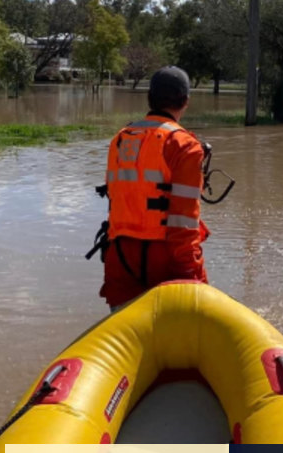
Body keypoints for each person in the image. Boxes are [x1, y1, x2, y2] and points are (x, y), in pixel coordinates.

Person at [89, 66, 210, 310]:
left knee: (125, 338)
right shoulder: (184, 145)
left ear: (149, 98)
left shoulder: (121, 138)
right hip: (164, 259)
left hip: (120, 257)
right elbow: (183, 225)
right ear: (186, 101)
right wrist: (194, 276)